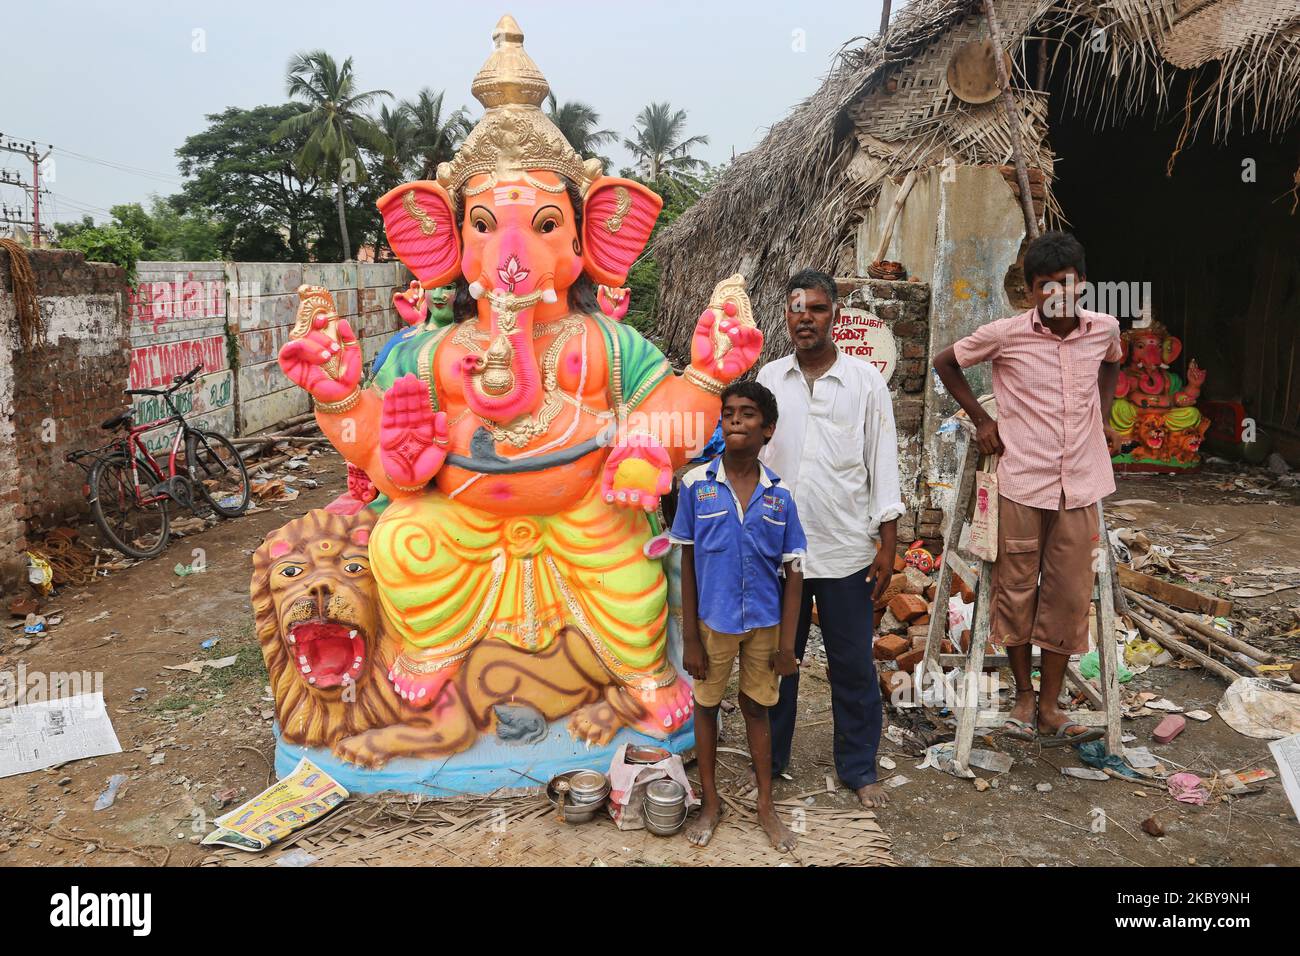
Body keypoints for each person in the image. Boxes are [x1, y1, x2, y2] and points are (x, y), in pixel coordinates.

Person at [932, 230, 1122, 747]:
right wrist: (980, 419)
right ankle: (1022, 696)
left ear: (1081, 284)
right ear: (1031, 289)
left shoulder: (1103, 327)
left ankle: (1052, 705)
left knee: (1068, 594)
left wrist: (1102, 417)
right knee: (1015, 590)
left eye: (1065, 284)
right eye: (1044, 286)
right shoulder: (1006, 333)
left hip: (1081, 486)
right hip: (1020, 482)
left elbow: (1112, 363)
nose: (1055, 295)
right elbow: (945, 362)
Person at [756, 269, 904, 810]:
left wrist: (888, 542)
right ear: (787, 316)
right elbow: (755, 459)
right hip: (780, 554)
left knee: (853, 665)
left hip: (846, 550)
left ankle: (859, 767)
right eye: (796, 309)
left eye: (816, 309)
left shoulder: (865, 382)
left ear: (835, 313)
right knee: (778, 660)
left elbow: (880, 462)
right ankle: (771, 760)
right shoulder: (770, 379)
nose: (805, 318)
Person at [670, 381, 806, 851]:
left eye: (748, 414)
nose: (735, 421)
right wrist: (689, 637)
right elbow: (687, 562)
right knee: (705, 707)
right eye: (728, 413)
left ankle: (766, 805)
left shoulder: (780, 496)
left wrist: (788, 645)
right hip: (713, 624)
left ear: (767, 429)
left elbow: (794, 573)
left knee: (757, 709)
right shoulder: (694, 486)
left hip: (765, 626)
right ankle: (711, 802)